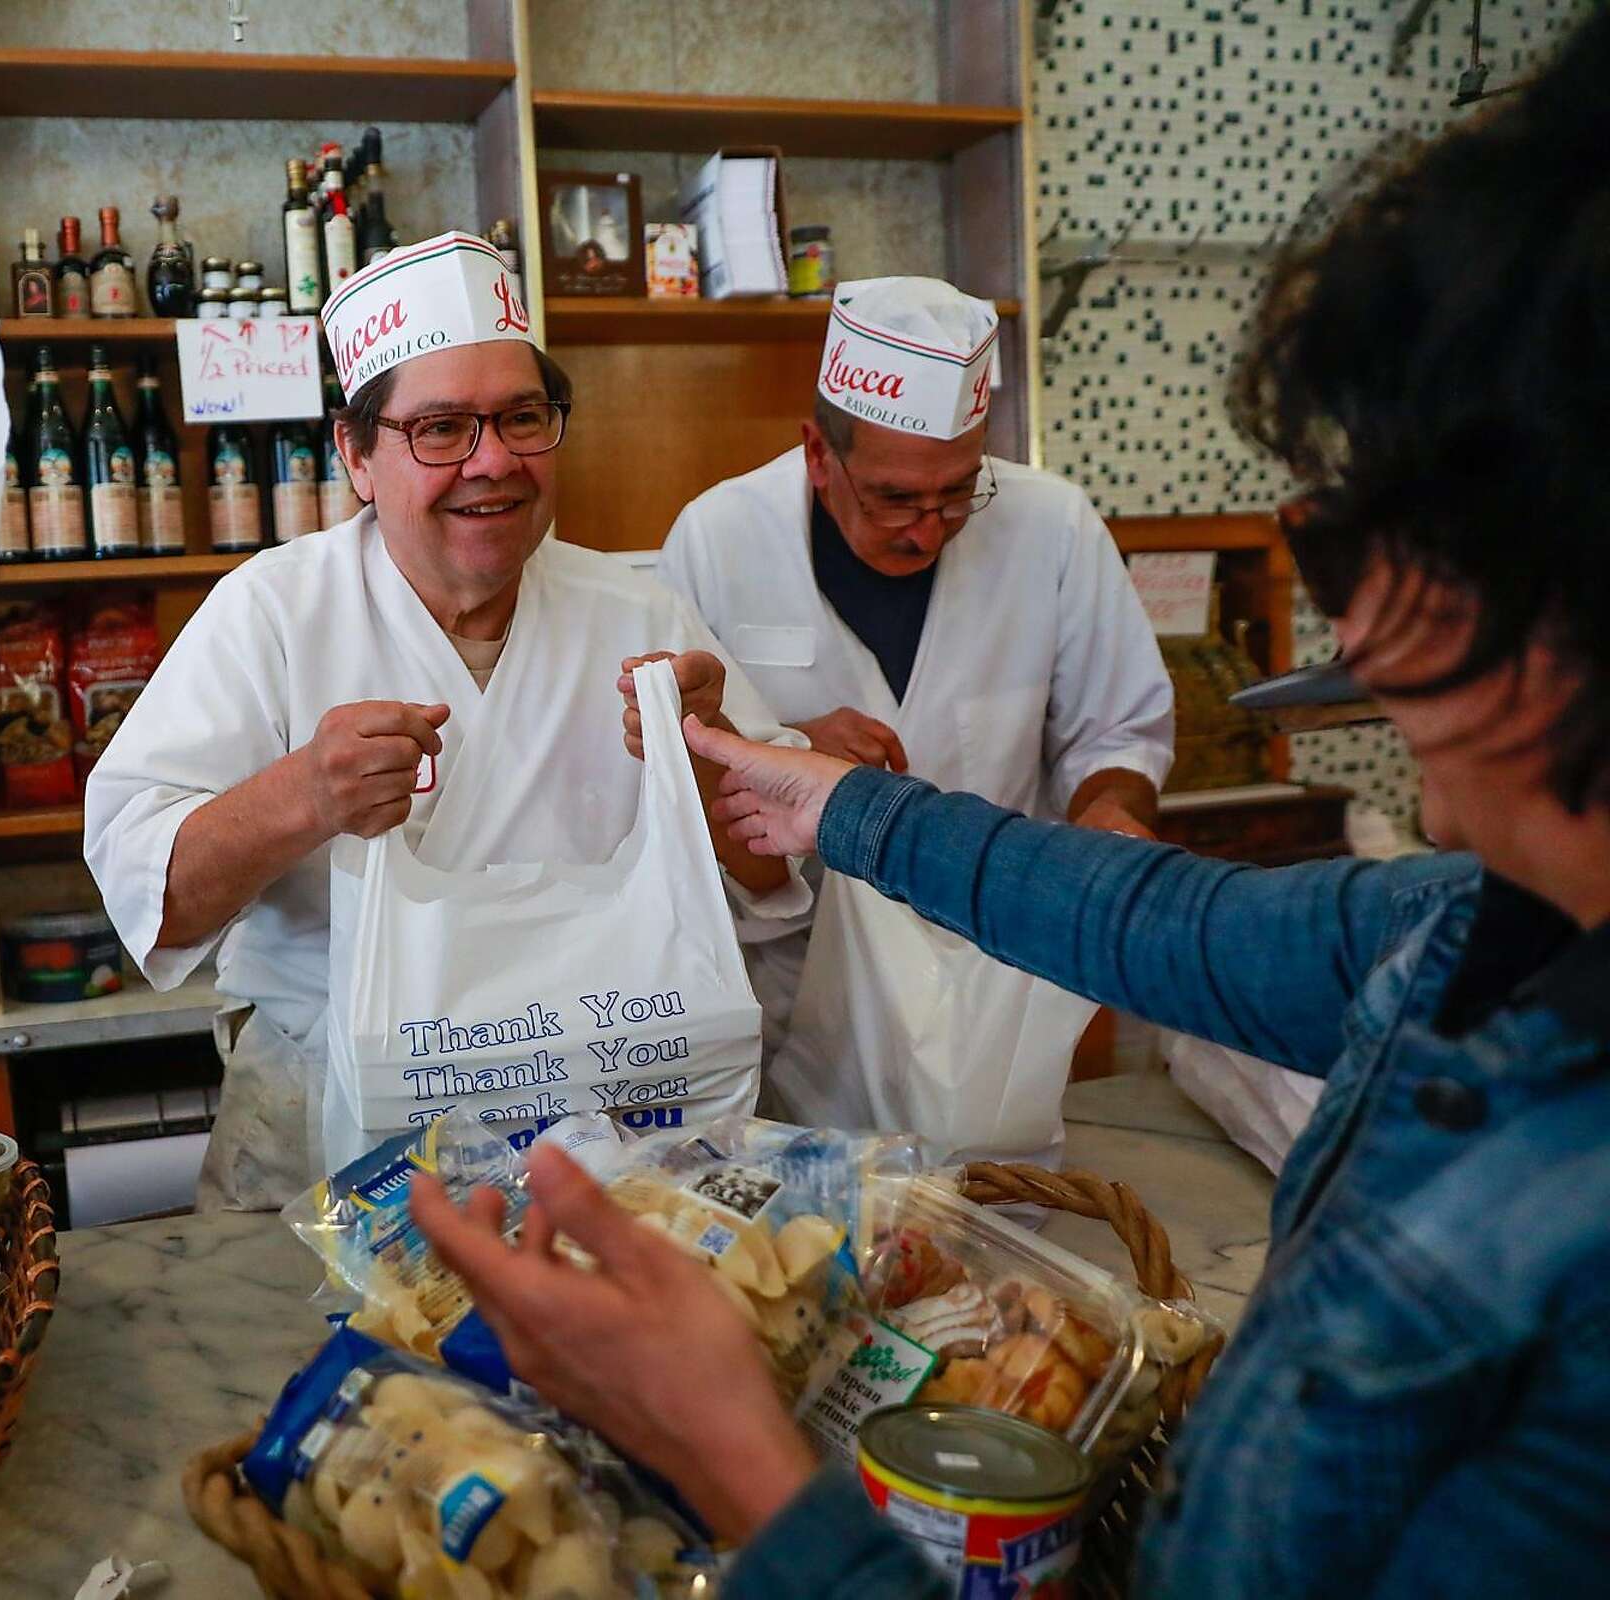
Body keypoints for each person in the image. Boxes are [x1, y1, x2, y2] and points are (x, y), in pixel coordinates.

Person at [412, 15, 1610, 1592]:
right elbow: (1167, 920)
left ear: (1546, 605)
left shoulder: (1551, 1264)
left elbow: (1119, 790)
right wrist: (834, 800)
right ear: (818, 458)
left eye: (1359, 566)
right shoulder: (1458, 932)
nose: (1362, 662)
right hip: (812, 1027)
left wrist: (742, 1457)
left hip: (1001, 1048)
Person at [85, 231, 809, 1211]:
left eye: (522, 417)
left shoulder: (638, 614)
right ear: (356, 455)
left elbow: (775, 882)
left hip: (606, 1132)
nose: (494, 462)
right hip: (327, 1134)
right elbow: (150, 897)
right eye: (440, 430)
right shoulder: (275, 613)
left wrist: (713, 768)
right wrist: (305, 794)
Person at [655, 280, 1172, 1140]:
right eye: (894, 498)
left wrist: (1112, 810)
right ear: (819, 455)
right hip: (793, 992)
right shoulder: (717, 538)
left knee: (1005, 1218)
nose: (928, 531)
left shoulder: (1054, 527)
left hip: (997, 980)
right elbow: (672, 769)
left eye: (959, 494)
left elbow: (1117, 729)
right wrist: (788, 743)